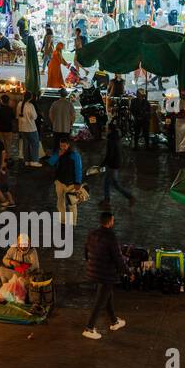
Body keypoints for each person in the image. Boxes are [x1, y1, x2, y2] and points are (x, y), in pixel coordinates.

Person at [82, 212, 127, 340]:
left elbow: (86, 251)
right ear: (110, 222)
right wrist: (126, 272)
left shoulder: (92, 234)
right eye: (113, 220)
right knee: (100, 301)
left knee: (107, 295)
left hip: (94, 270)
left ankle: (114, 321)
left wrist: (91, 264)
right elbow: (117, 257)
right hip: (106, 273)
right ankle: (89, 328)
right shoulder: (111, 237)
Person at [48, 136, 83, 223]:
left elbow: (78, 169)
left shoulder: (75, 155)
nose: (62, 147)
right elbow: (51, 162)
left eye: (64, 146)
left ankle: (72, 222)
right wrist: (57, 156)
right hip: (59, 181)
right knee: (60, 201)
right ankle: (62, 220)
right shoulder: (58, 153)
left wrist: (78, 182)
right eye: (61, 145)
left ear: (68, 145)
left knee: (72, 203)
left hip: (71, 184)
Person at [102, 120, 132, 203]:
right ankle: (128, 196)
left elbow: (110, 154)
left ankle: (107, 199)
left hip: (112, 164)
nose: (106, 129)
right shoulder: (117, 137)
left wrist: (103, 164)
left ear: (110, 129)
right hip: (117, 162)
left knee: (109, 183)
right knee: (112, 183)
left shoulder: (111, 139)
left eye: (107, 128)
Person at [18, 94, 41, 166]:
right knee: (35, 144)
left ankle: (27, 161)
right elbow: (34, 117)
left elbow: (17, 116)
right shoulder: (30, 106)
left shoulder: (19, 104)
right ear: (30, 98)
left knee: (26, 144)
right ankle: (34, 161)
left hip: (22, 128)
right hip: (31, 128)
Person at [0, 95, 17, 164]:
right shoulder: (10, 109)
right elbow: (13, 117)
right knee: (8, 144)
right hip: (8, 129)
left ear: (1, 101)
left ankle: (2, 157)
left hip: (1, 129)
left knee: (1, 144)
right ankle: (7, 157)